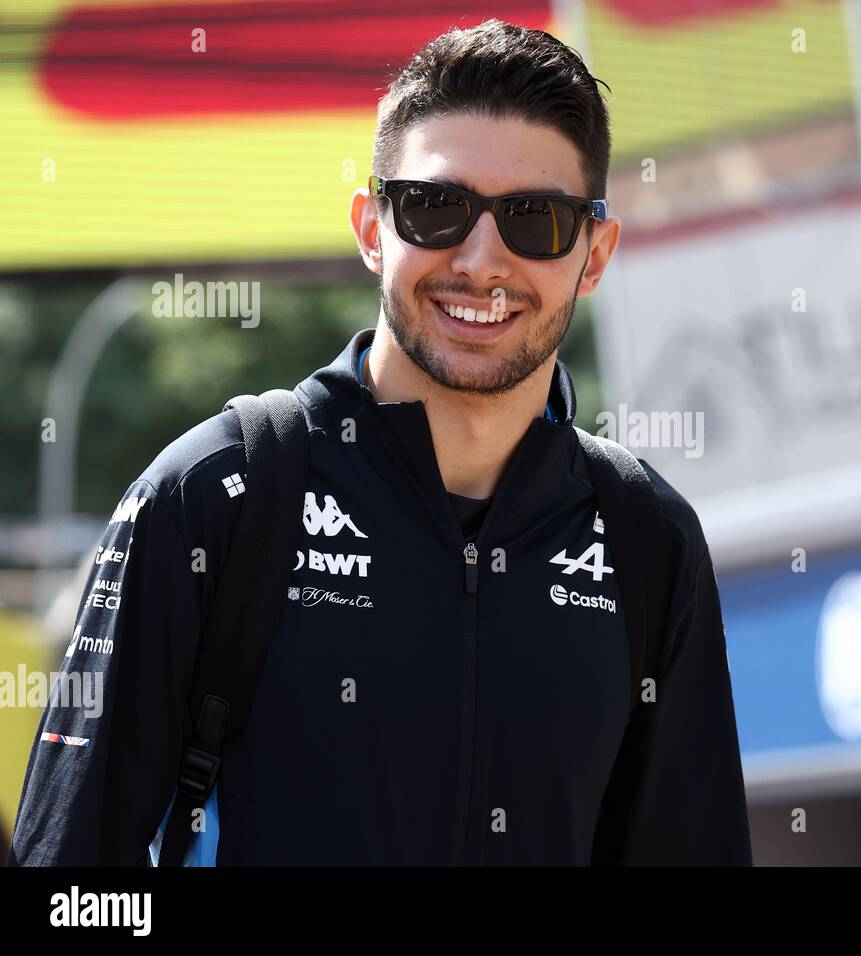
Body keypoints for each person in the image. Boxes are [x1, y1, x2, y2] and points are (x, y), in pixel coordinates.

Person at [4, 19, 751, 866]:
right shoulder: (216, 497)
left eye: (535, 220)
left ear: (595, 254)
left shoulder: (648, 541)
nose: (481, 260)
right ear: (371, 227)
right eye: (438, 207)